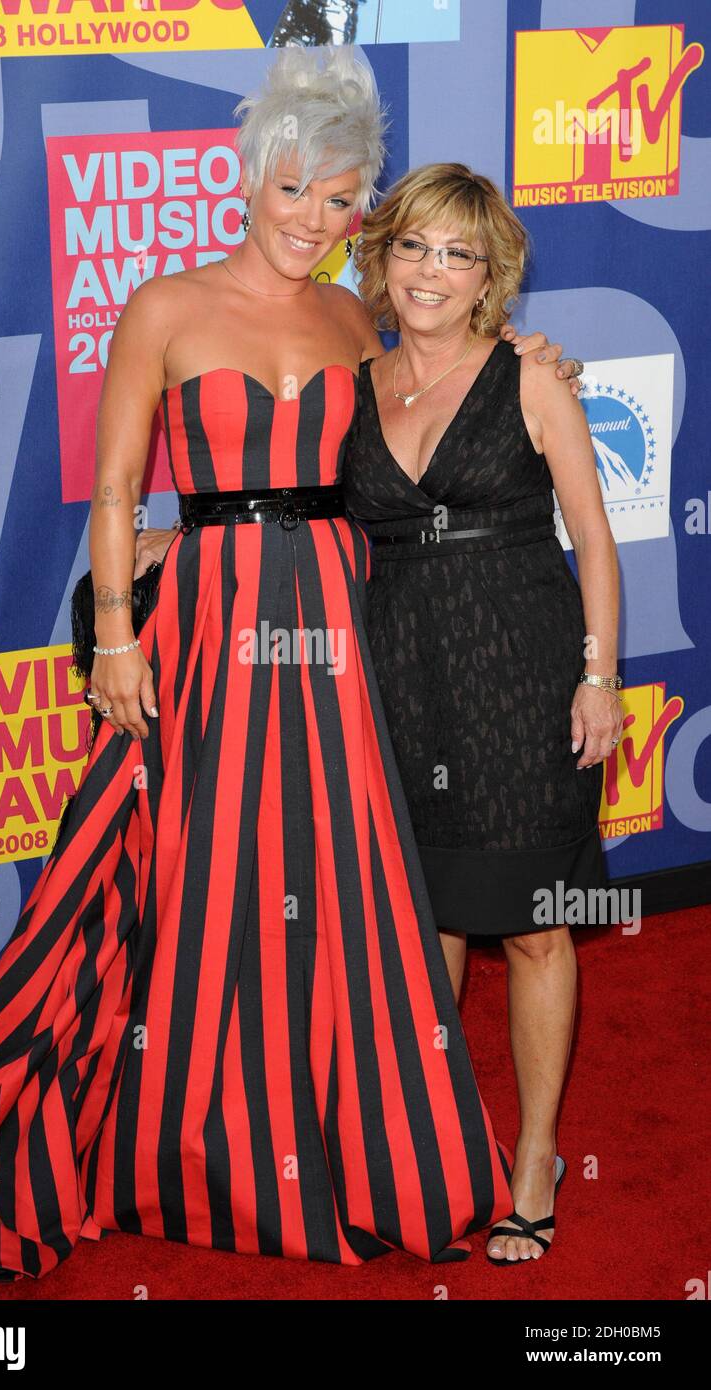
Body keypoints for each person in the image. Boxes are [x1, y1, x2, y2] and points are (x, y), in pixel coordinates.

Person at [0, 49, 580, 1299]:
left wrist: (540, 363)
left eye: (342, 198)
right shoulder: (164, 304)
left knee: (341, 876)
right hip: (210, 628)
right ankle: (206, 1141)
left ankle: (343, 1131)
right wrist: (113, 630)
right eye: (294, 188)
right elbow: (112, 490)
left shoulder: (360, 314)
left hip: (342, 627)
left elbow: (440, 383)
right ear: (251, 176)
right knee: (210, 871)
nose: (313, 217)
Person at [342, 162, 622, 1266]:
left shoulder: (529, 376)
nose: (431, 271)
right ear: (384, 255)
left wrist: (597, 673)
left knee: (536, 920)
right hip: (404, 675)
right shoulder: (353, 383)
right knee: (434, 925)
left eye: (458, 254)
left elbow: (594, 536)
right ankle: (432, 1153)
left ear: (489, 276)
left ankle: (535, 1158)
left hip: (521, 663)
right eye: (414, 245)